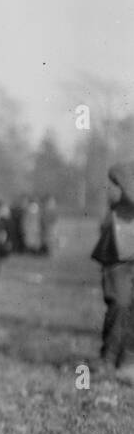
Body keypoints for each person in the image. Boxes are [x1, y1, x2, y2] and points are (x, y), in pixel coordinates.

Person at [91, 163, 134, 384]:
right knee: (119, 303)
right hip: (120, 251)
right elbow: (118, 174)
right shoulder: (126, 171)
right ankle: (108, 358)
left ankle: (128, 360)